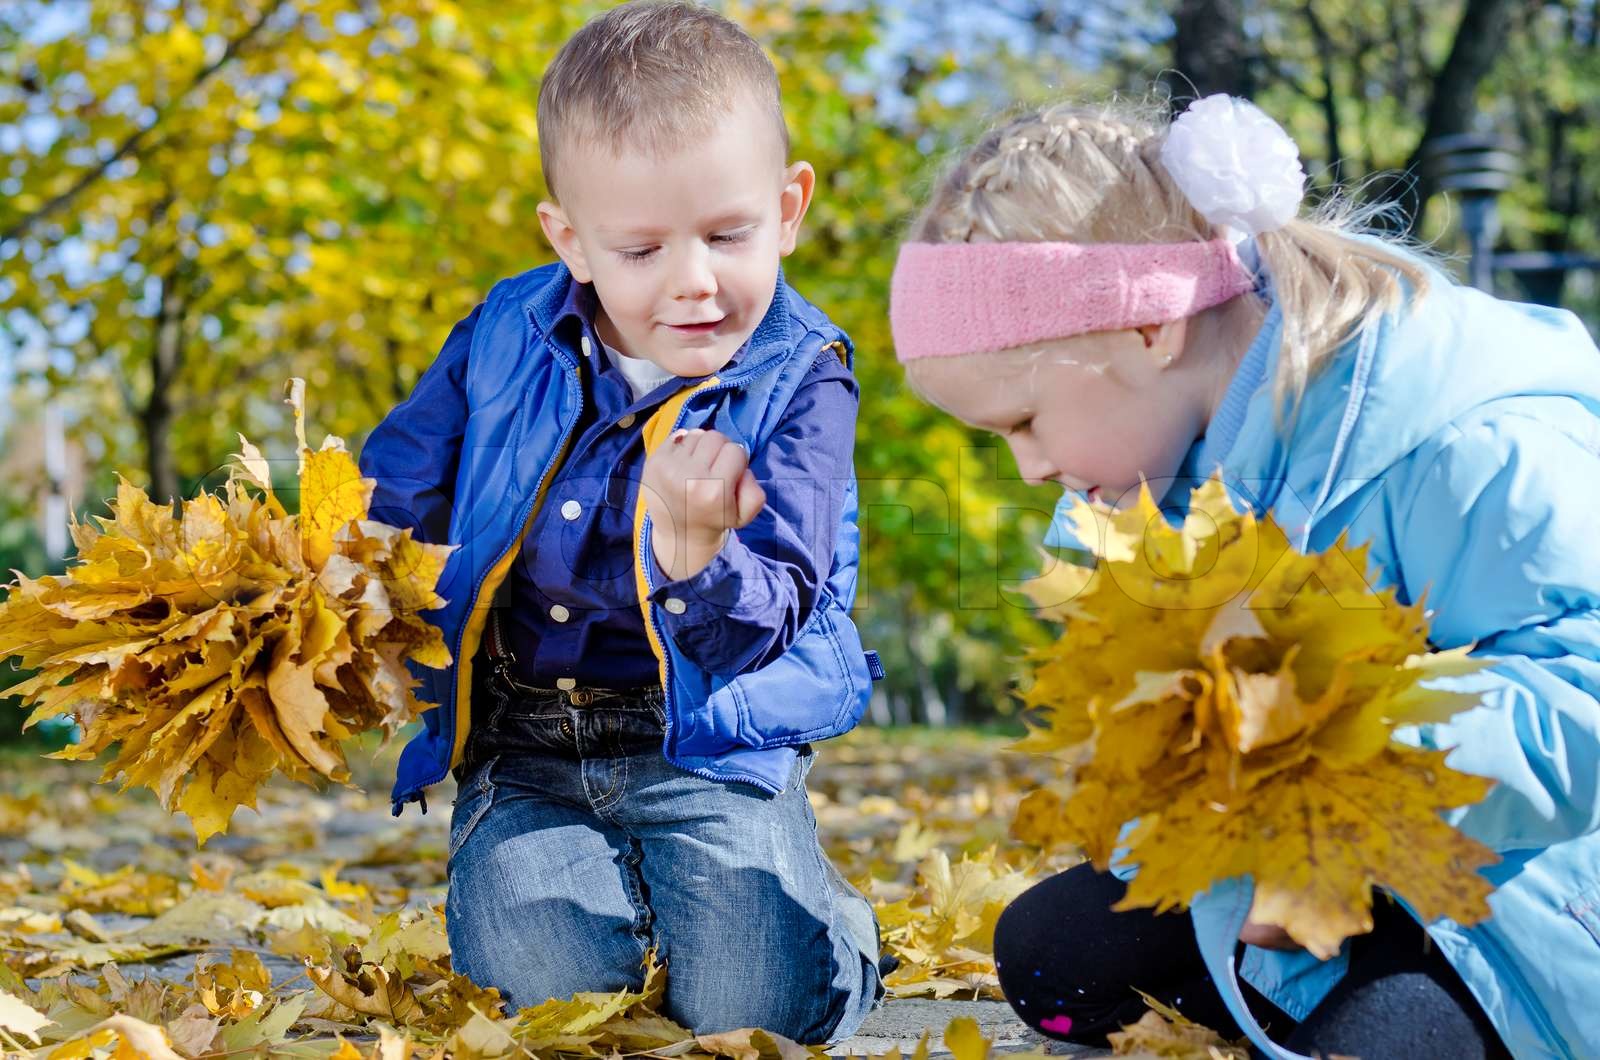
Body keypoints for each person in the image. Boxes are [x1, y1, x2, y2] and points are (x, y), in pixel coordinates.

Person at [888, 93, 1600, 1059]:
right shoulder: (1158, 484)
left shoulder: (1463, 442)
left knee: (1382, 1043)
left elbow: (1579, 701)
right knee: (1052, 953)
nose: (1028, 467)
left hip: (1520, 903)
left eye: (1023, 421)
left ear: (1147, 331)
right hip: (1298, 890)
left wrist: (1347, 798)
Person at [357, 1, 884, 1041]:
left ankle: (838, 933)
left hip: (707, 741)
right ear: (572, 240)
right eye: (640, 249)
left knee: (754, 1013)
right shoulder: (507, 328)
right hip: (525, 742)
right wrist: (357, 589)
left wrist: (696, 556)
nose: (692, 282)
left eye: (727, 235)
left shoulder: (801, 378)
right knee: (549, 996)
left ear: (787, 210)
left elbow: (775, 604)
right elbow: (400, 484)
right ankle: (588, 896)